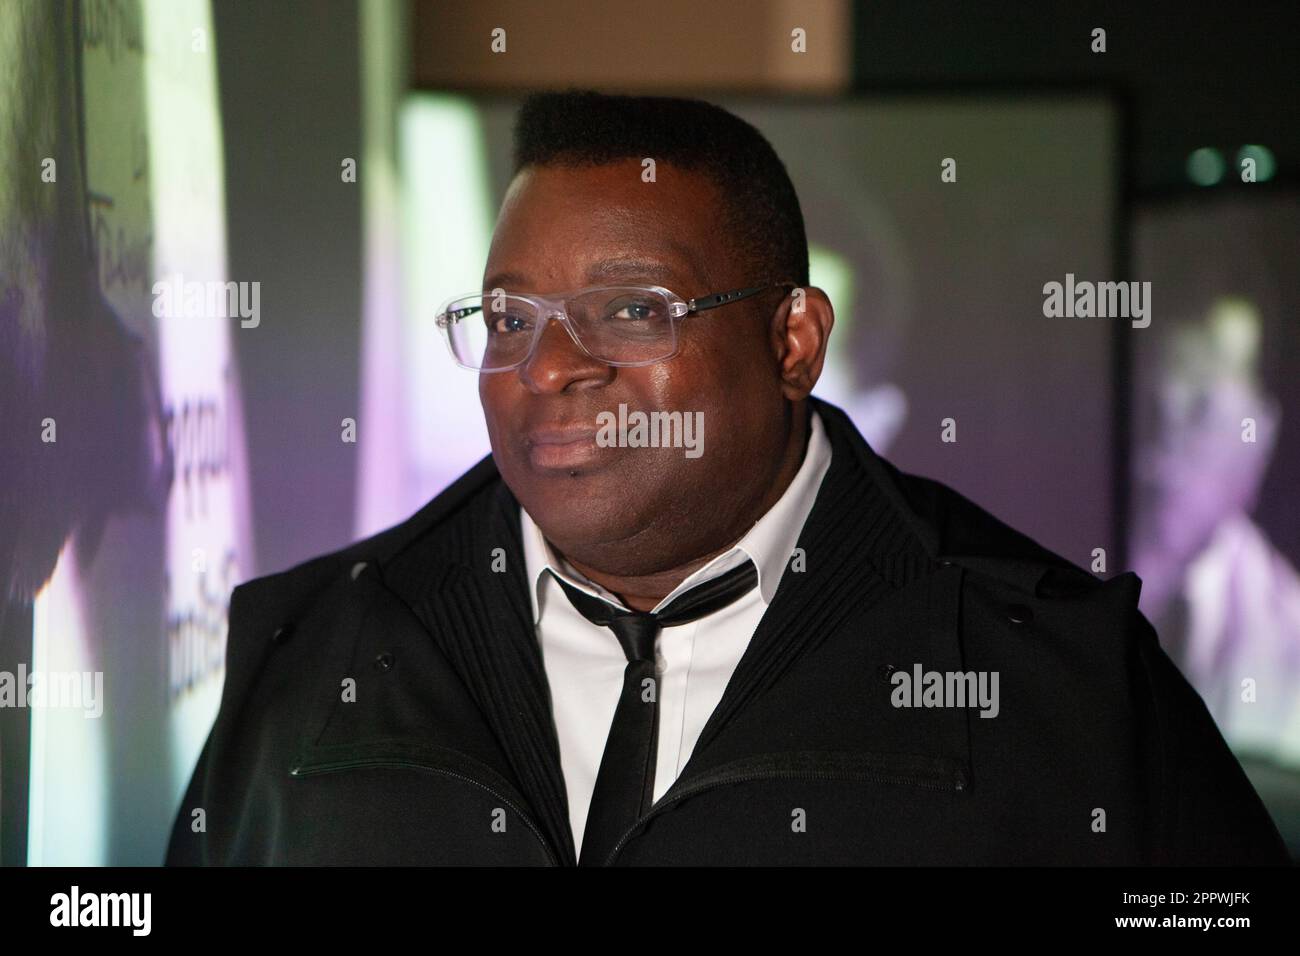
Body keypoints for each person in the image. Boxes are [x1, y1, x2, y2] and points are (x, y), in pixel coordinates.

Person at [166, 90, 1286, 866]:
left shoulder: (1058, 675)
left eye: (632, 310)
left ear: (794, 341)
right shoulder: (310, 653)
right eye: (509, 317)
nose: (549, 365)